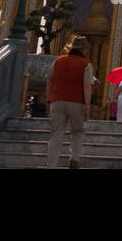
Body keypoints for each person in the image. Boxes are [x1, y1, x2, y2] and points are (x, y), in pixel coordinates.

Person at [46, 35, 93, 168]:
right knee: (77, 131)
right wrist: (88, 106)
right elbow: (87, 86)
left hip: (57, 100)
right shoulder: (85, 64)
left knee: (56, 135)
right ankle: (74, 158)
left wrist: (48, 100)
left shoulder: (58, 61)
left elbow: (49, 80)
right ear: (83, 49)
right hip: (77, 101)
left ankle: (51, 164)